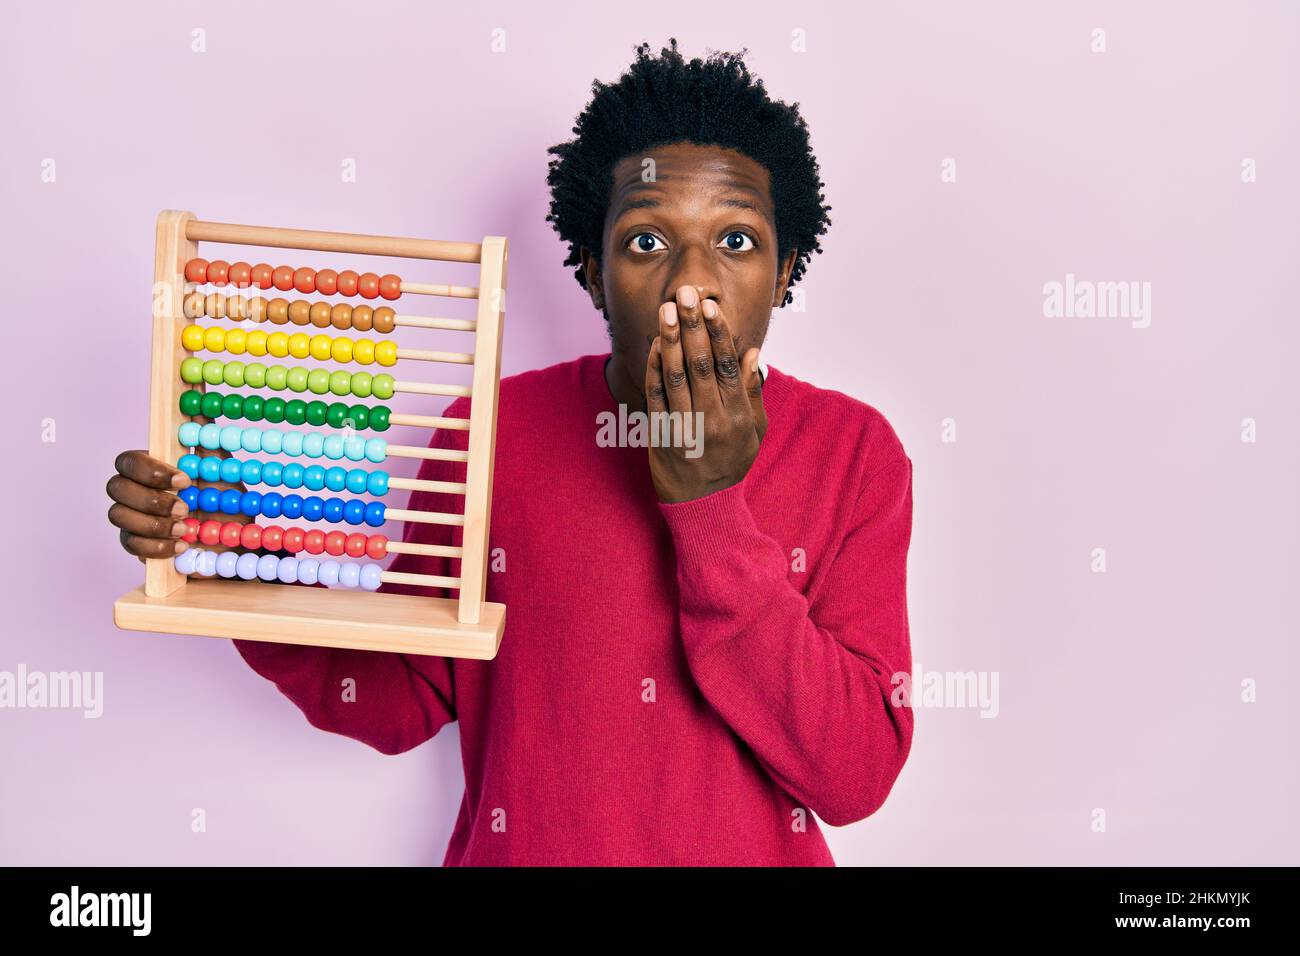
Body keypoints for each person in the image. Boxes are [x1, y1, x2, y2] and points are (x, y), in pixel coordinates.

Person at [105, 38, 915, 866]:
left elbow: (855, 773)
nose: (689, 285)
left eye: (737, 242)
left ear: (784, 275)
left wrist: (707, 508)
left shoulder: (856, 454)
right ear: (591, 272)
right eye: (645, 242)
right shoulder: (489, 433)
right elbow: (398, 700)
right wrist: (224, 547)